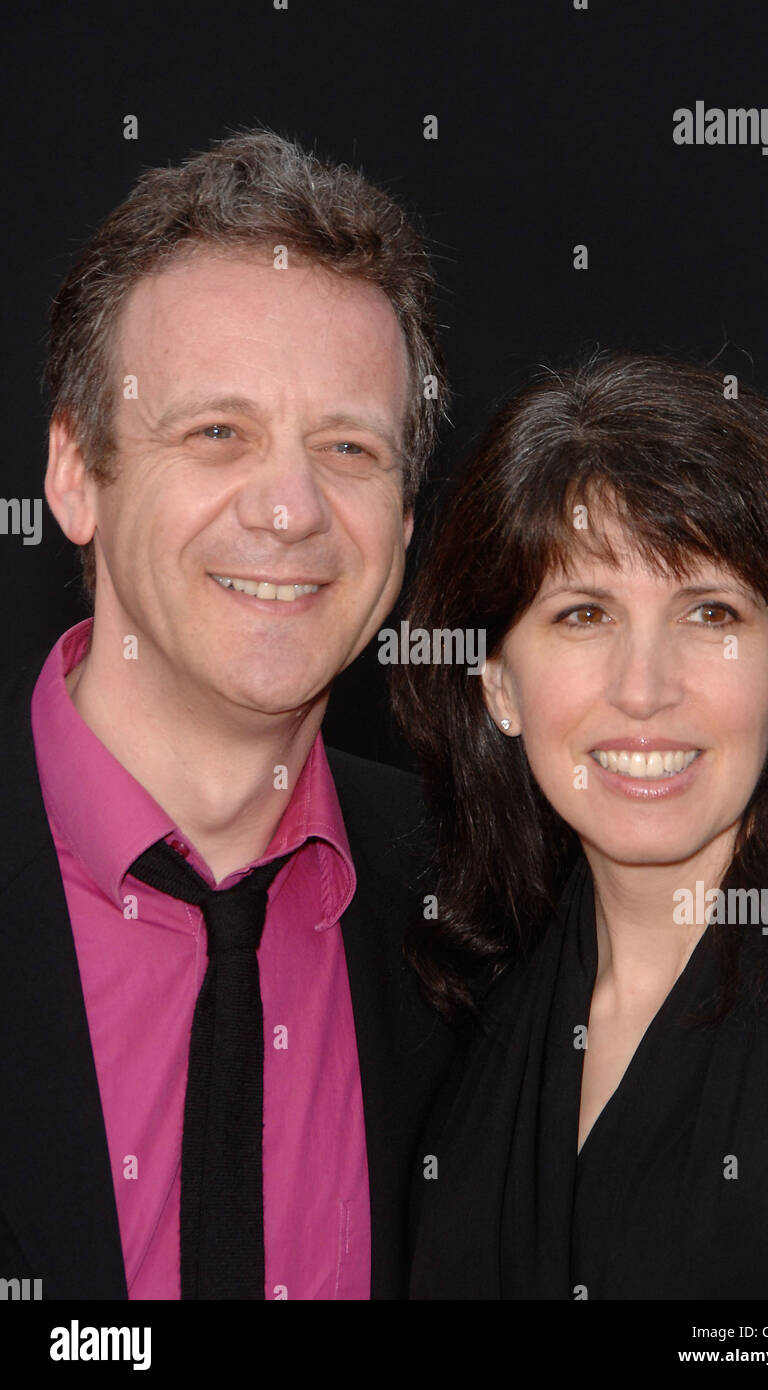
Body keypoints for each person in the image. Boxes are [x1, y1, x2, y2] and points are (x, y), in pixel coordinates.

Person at [0, 128, 456, 1300]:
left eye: (348, 448)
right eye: (218, 433)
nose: (292, 508)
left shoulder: (481, 901)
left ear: (406, 521)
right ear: (74, 472)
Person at [394, 352, 768, 1299]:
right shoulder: (457, 995)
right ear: (497, 685)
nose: (644, 688)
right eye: (582, 614)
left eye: (709, 611)